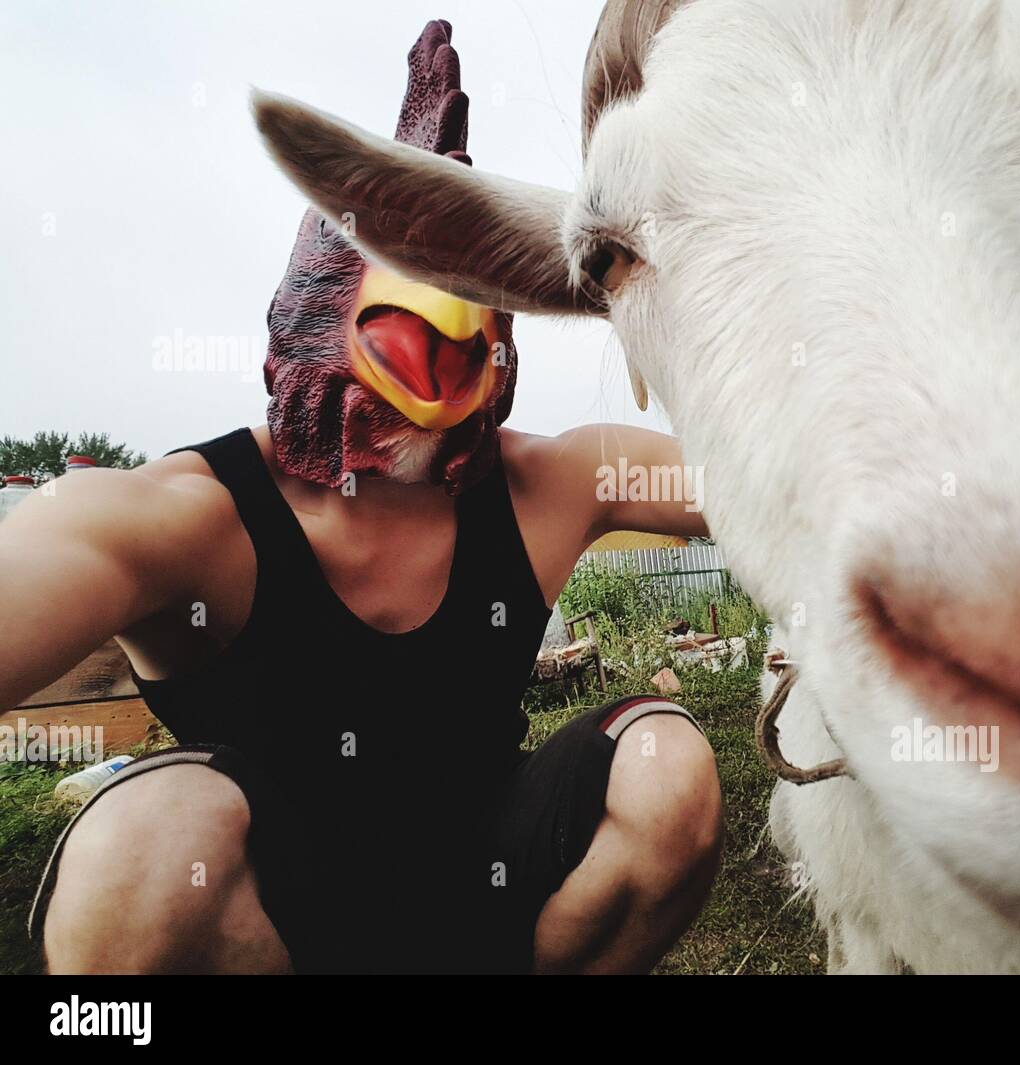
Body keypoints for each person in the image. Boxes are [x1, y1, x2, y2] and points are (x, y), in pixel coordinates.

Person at [1, 20, 721, 974]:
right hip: (281, 931)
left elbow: (768, 476)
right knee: (144, 844)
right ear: (315, 292)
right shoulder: (185, 517)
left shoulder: (552, 482)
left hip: (487, 895)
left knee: (670, 770)